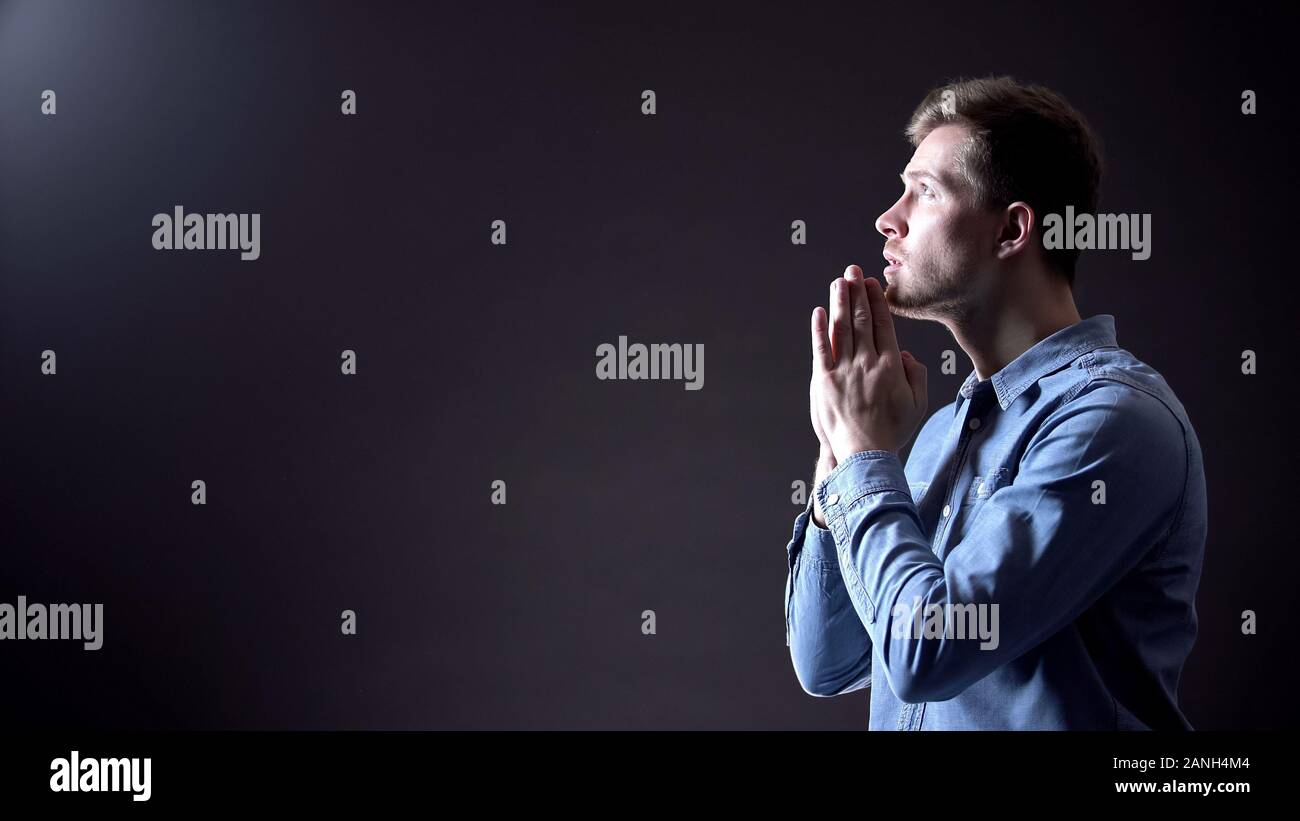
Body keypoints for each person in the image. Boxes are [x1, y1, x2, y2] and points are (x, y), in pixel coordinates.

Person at [785, 76, 1207, 730]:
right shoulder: (939, 436)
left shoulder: (1113, 422)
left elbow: (929, 649)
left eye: (924, 192)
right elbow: (825, 660)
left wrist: (867, 456)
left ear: (1012, 230)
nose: (887, 218)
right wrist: (840, 446)